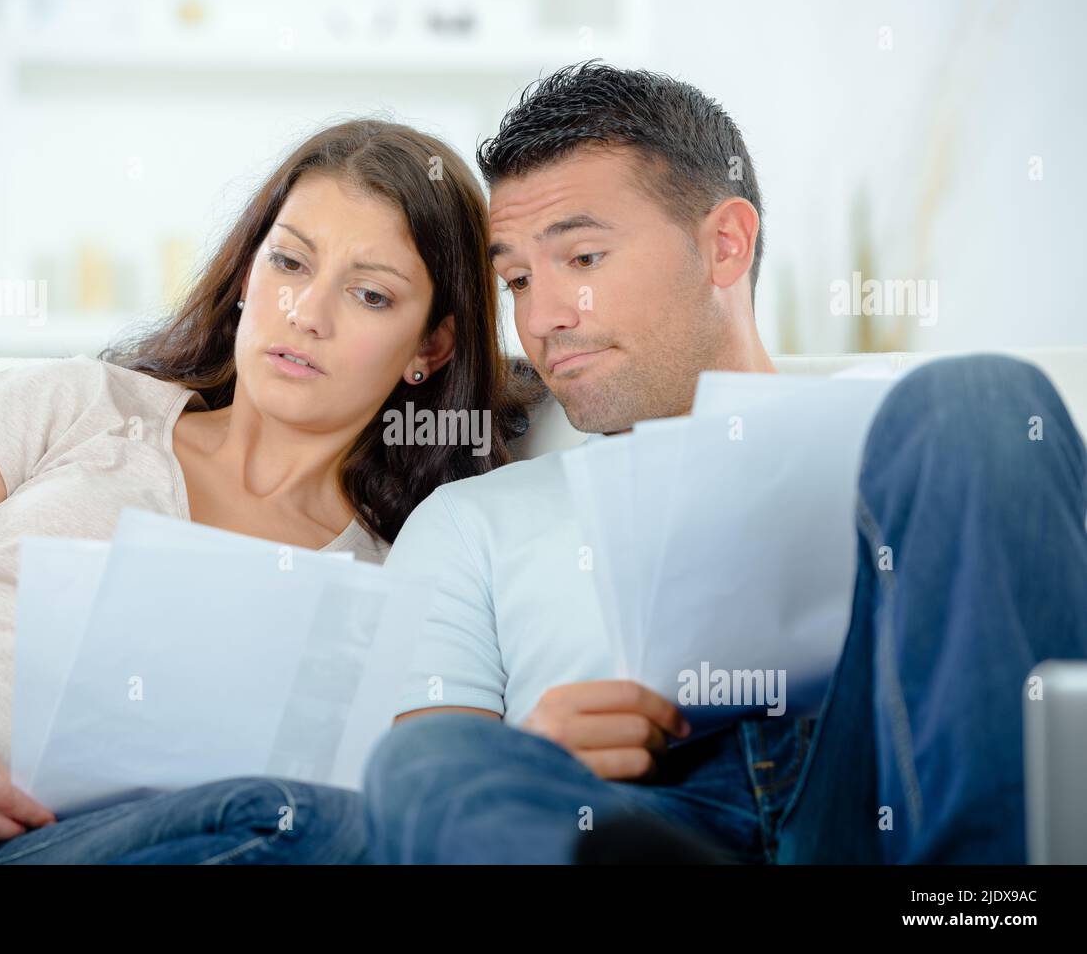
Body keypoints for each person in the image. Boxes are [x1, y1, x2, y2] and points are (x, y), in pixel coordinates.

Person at [363, 62, 1087, 864]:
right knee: (418, 762)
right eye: (518, 279)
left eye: (584, 260)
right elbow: (426, 797)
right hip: (636, 817)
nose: (542, 318)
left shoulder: (924, 443)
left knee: (986, 395)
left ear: (724, 245)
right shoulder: (470, 521)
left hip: (873, 795)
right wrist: (535, 755)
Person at [0, 119, 538, 864]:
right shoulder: (85, 402)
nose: (306, 314)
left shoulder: (386, 580)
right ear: (248, 275)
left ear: (430, 346)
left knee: (308, 819)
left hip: (51, 848)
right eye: (289, 263)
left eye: (370, 295)